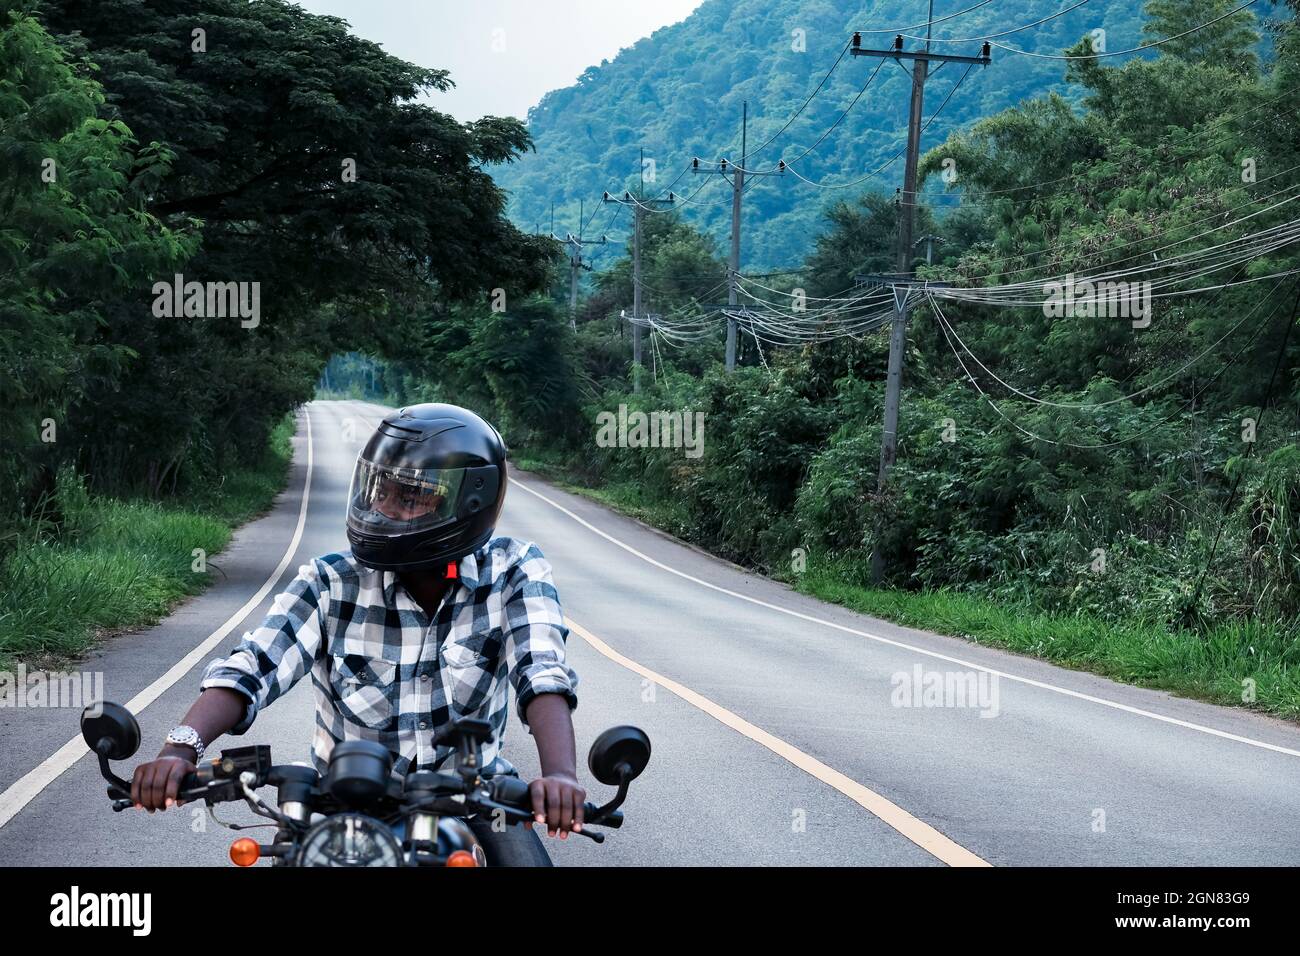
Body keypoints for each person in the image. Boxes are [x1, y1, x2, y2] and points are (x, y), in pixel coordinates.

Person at [129, 403, 582, 866]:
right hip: (342, 805)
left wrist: (560, 776)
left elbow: (541, 669)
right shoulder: (331, 581)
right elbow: (256, 663)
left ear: (468, 503)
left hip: (473, 797)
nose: (382, 509)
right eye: (378, 491)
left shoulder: (512, 572)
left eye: (408, 498)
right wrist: (179, 749)